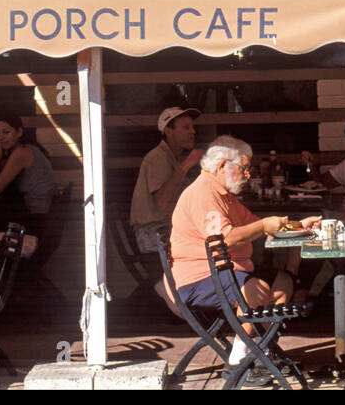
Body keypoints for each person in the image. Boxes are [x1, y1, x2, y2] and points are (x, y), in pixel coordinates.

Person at [169, 135, 319, 387]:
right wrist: (263, 226)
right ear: (221, 166)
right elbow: (224, 239)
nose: (248, 175)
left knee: (283, 282)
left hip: (226, 272)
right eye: (244, 169)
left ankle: (261, 352)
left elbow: (255, 224)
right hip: (200, 278)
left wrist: (298, 225)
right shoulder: (203, 194)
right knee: (256, 290)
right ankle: (238, 363)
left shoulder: (222, 194)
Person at [129, 106, 202, 253]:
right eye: (186, 127)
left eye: (192, 127)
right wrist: (187, 164)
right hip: (153, 232)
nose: (192, 131)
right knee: (208, 247)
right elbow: (162, 201)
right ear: (169, 131)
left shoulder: (172, 158)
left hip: (164, 228)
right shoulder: (158, 157)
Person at [0, 113, 59, 242]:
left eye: (6, 132)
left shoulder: (21, 153)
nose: (1, 138)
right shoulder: (26, 149)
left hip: (35, 220)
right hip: (37, 216)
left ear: (19, 132)